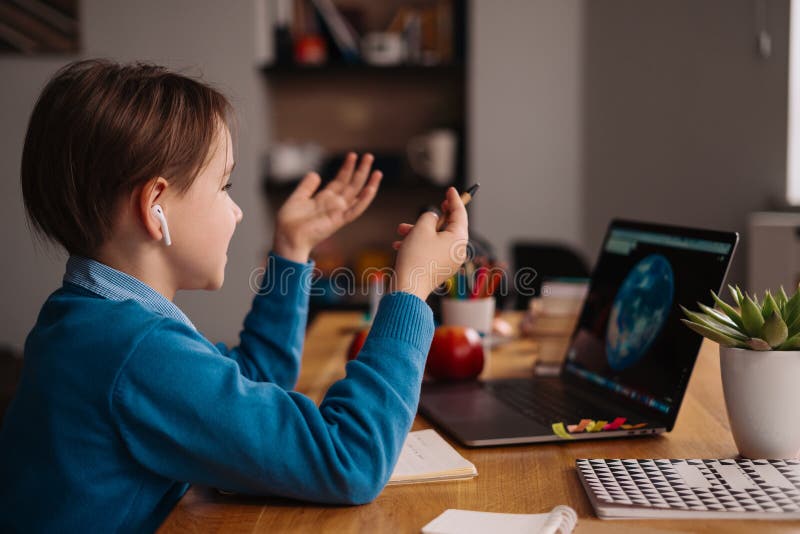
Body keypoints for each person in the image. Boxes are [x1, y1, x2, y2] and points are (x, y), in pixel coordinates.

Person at [0, 59, 468, 532]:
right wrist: (411, 290)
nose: (238, 211)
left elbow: (248, 384)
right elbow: (349, 460)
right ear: (154, 205)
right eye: (224, 185)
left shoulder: (84, 320)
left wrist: (291, 250)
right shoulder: (133, 351)